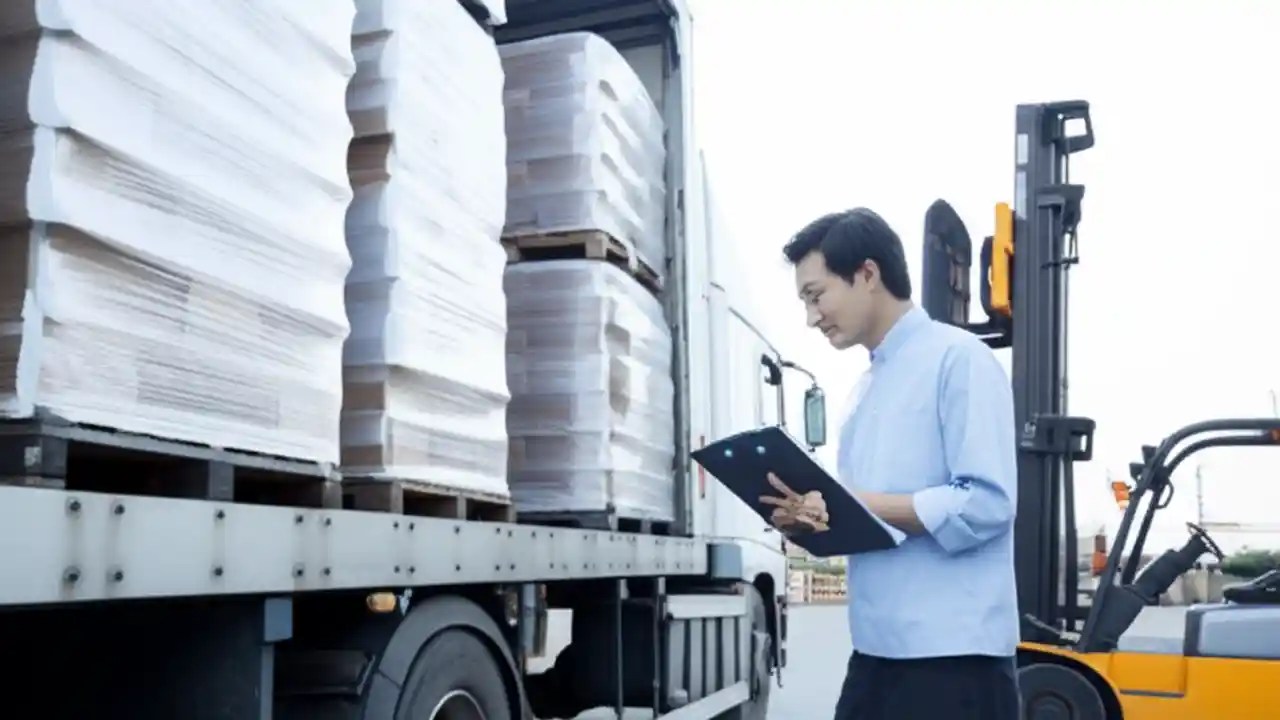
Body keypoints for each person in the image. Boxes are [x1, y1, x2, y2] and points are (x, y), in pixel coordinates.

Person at [765, 207, 1022, 720]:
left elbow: (989, 504)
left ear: (867, 274)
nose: (812, 317)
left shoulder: (959, 358)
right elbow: (870, 522)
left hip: (953, 662)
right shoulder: (865, 389)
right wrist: (810, 522)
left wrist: (849, 502)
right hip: (877, 655)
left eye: (816, 296)